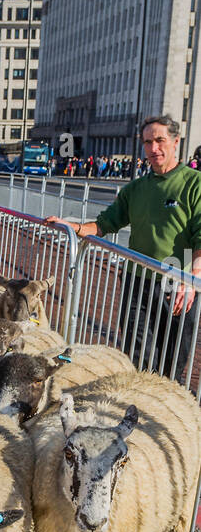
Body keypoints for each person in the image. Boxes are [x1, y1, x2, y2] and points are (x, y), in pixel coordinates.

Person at [46, 114, 201, 381]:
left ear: (176, 142)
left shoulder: (194, 183)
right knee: (138, 356)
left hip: (177, 284)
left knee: (173, 361)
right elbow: (107, 223)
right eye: (148, 142)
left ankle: (165, 412)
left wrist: (192, 279)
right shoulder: (135, 188)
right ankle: (137, 407)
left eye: (160, 140)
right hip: (137, 282)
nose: (154, 149)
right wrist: (74, 227)